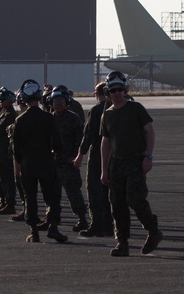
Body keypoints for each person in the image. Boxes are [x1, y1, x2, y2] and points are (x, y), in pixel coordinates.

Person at [100, 71, 163, 257]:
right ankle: (122, 242)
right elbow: (106, 142)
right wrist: (104, 170)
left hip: (136, 160)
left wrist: (148, 156)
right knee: (117, 204)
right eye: (113, 90)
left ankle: (153, 230)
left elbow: (150, 132)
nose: (117, 93)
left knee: (135, 199)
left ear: (125, 90)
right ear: (108, 92)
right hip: (117, 164)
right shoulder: (107, 115)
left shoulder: (136, 108)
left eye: (120, 89)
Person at [13, 79, 68, 243]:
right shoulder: (48, 118)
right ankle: (53, 227)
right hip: (46, 160)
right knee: (52, 196)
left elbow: (16, 147)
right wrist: (55, 154)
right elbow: (57, 142)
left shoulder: (20, 120)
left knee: (30, 197)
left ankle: (33, 231)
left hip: (28, 162)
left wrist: (19, 164)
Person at [74, 82, 112, 237]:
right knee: (109, 192)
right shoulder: (118, 107)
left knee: (94, 191)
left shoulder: (96, 110)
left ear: (97, 94)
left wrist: (80, 154)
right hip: (114, 154)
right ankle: (109, 225)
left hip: (97, 153)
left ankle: (96, 224)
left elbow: (88, 134)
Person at [50, 86, 89, 231]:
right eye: (55, 101)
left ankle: (82, 218)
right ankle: (53, 219)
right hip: (53, 163)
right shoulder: (49, 118)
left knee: (73, 191)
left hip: (68, 162)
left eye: (61, 100)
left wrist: (75, 156)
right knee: (53, 194)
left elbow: (80, 139)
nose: (58, 103)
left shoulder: (73, 118)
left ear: (66, 101)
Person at [0, 87, 18, 214]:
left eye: (3, 99)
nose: (0, 101)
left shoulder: (11, 115)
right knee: (0, 177)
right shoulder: (1, 112)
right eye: (0, 99)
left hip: (6, 151)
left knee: (7, 178)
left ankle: (9, 203)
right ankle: (3, 200)